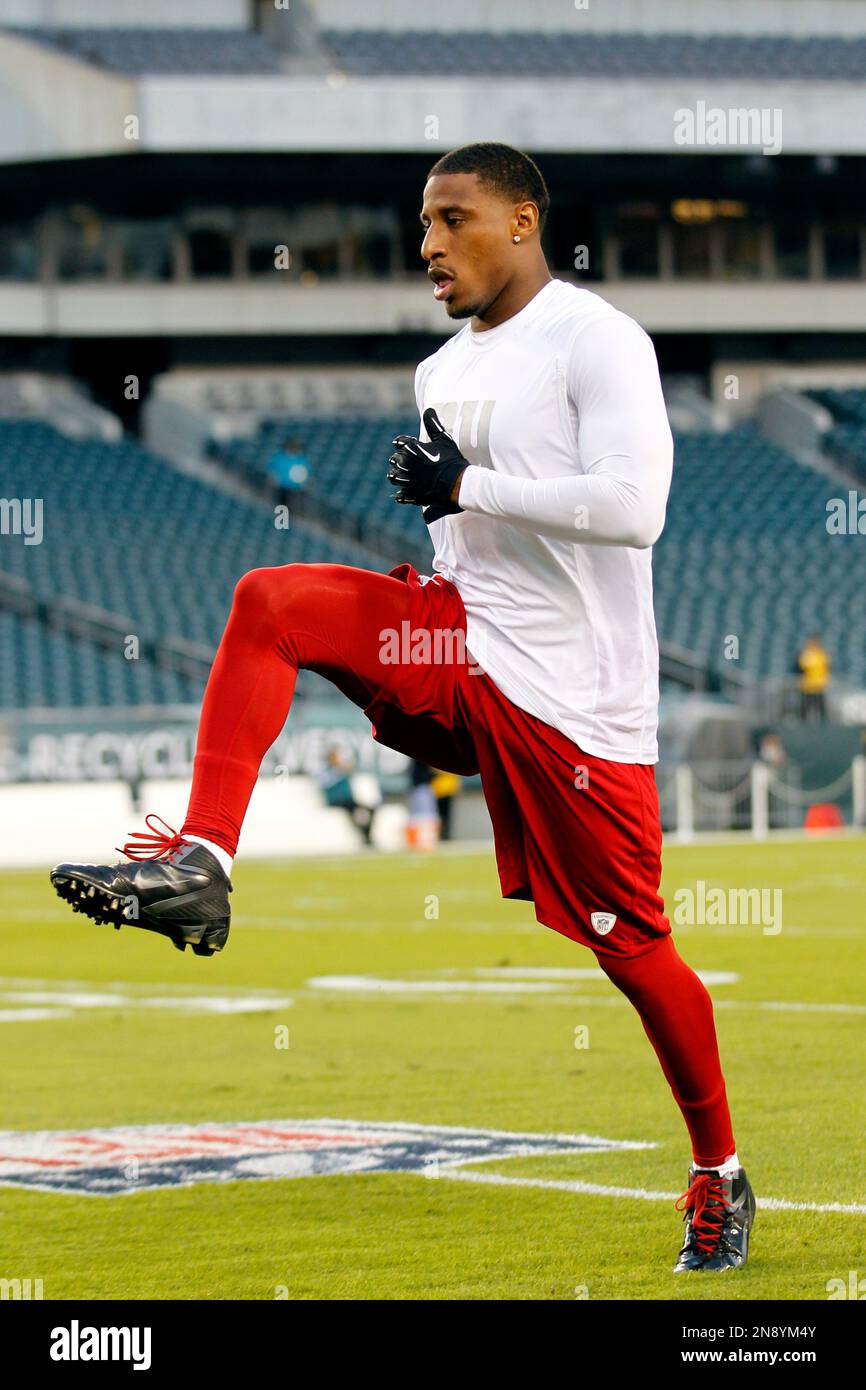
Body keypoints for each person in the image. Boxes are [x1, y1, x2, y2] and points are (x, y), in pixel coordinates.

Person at [50, 142, 752, 1275]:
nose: (425, 244)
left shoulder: (598, 338)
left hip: (571, 705)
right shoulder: (436, 371)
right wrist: (447, 519)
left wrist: (463, 483)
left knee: (630, 947)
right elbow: (471, 551)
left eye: (451, 218)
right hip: (455, 650)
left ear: (522, 220)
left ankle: (716, 1170)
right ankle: (202, 864)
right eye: (420, 223)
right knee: (271, 601)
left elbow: (634, 510)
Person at [266, 436, 311, 506]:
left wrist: (305, 481)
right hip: (282, 486)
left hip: (296, 488)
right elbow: (271, 468)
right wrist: (273, 477)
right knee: (281, 504)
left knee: (294, 504)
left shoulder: (302, 459)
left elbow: (306, 472)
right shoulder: (280, 457)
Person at [797, 633, 831, 722]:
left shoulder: (822, 654)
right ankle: (803, 726)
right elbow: (801, 667)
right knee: (804, 710)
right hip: (807, 687)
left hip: (819, 687)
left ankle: (823, 727)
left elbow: (826, 667)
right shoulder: (805, 654)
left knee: (821, 709)